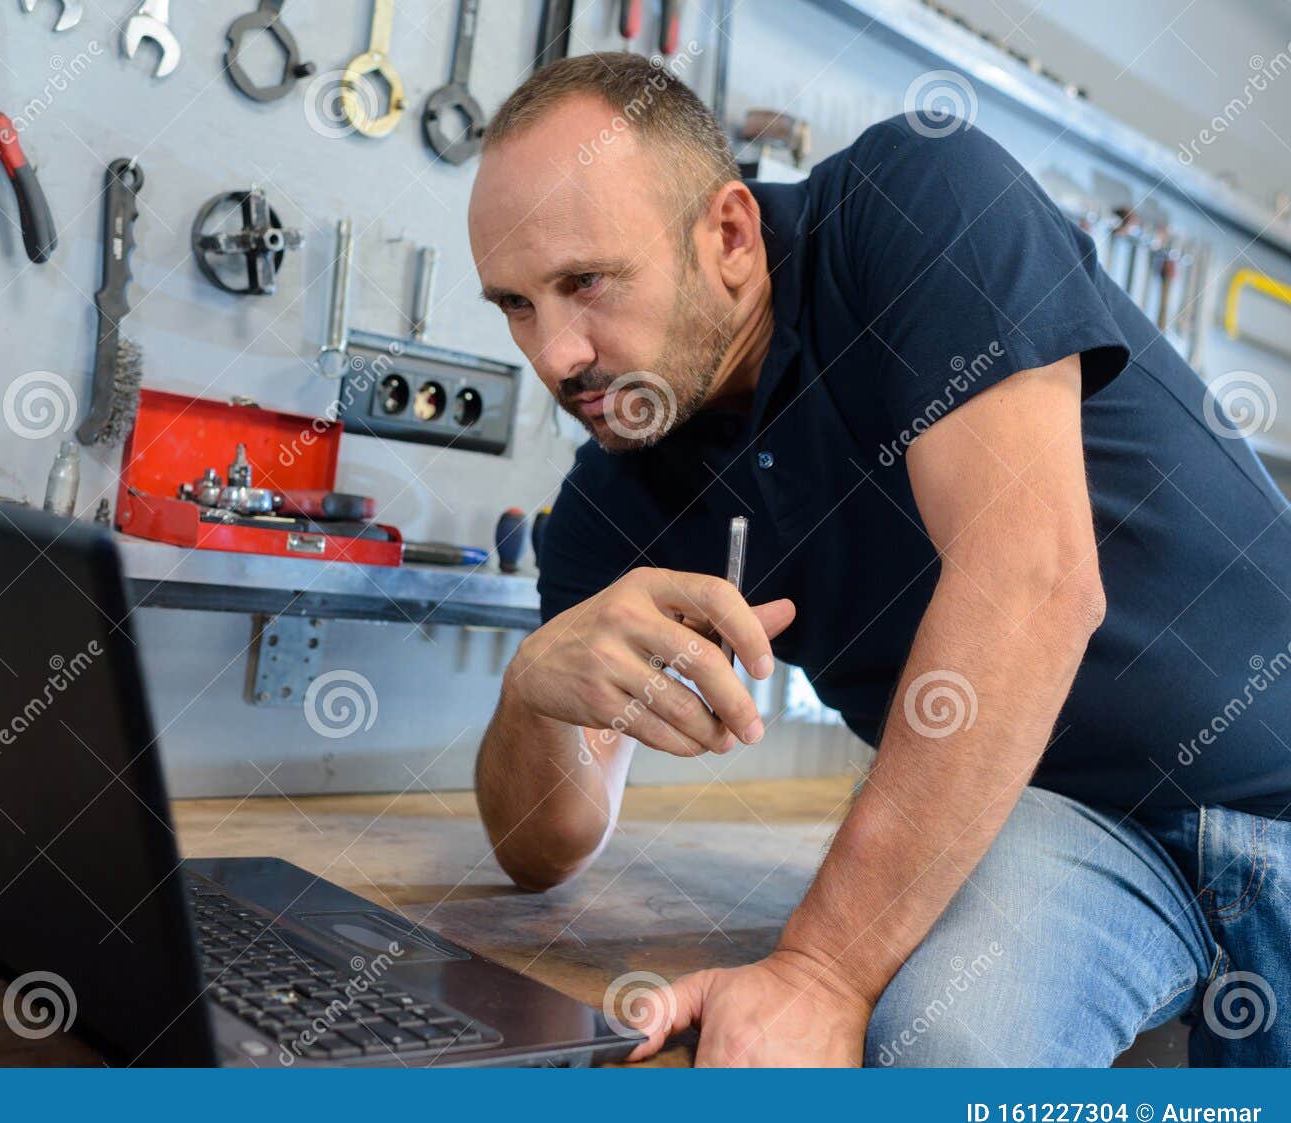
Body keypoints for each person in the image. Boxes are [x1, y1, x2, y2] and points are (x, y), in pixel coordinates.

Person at [467, 52, 1291, 1067]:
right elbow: (545, 851)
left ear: (727, 234)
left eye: (584, 282)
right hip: (1071, 829)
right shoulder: (619, 484)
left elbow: (1029, 580)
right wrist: (530, 696)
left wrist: (820, 970)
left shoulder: (911, 202)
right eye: (513, 304)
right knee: (942, 1056)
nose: (554, 355)